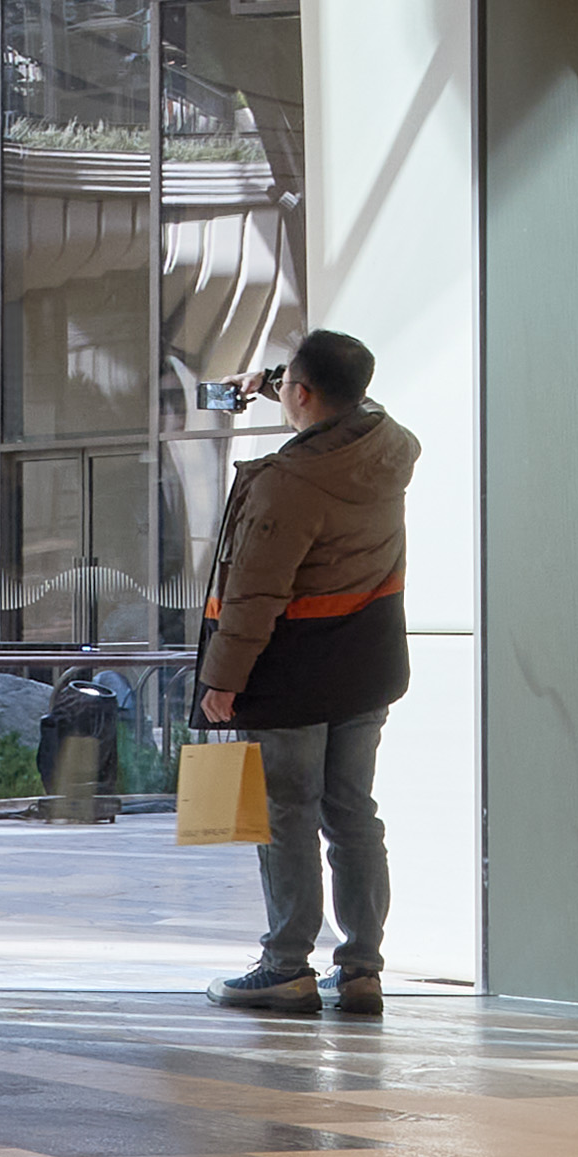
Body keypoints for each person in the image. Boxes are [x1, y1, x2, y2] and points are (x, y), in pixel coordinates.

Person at [199, 330, 420, 1017]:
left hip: (290, 671)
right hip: (365, 664)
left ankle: (286, 966)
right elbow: (355, 400)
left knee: (283, 816)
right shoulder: (389, 447)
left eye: (289, 385)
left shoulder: (287, 484)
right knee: (352, 813)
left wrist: (222, 679)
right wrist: (269, 381)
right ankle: (360, 970)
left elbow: (255, 596)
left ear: (302, 394)